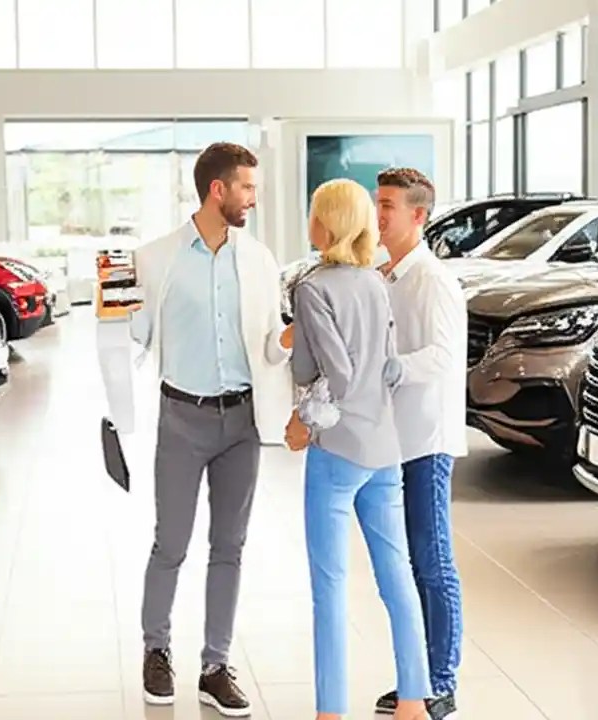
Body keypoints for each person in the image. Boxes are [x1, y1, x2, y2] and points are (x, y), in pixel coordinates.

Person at [129, 142, 293, 718]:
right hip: (181, 418)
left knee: (230, 546)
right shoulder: (155, 259)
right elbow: (134, 339)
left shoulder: (261, 259)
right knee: (170, 544)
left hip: (242, 423)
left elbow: (271, 344)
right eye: (247, 187)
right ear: (217, 190)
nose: (255, 197)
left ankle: (215, 665)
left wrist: (295, 339)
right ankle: (156, 650)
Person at [286, 178, 430, 720]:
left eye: (314, 212)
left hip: (338, 452)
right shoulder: (375, 281)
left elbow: (321, 374)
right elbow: (387, 367)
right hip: (384, 448)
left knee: (330, 586)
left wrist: (303, 418)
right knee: (396, 576)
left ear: (326, 223)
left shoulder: (311, 287)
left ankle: (330, 711)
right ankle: (413, 698)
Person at [371, 167, 468, 719]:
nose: (378, 214)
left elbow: (443, 358)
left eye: (388, 205)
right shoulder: (388, 275)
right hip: (394, 439)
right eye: (376, 203)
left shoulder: (431, 279)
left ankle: (441, 682)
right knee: (408, 566)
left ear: (418, 215)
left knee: (433, 564)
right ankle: (415, 676)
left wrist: (384, 369)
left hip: (425, 442)